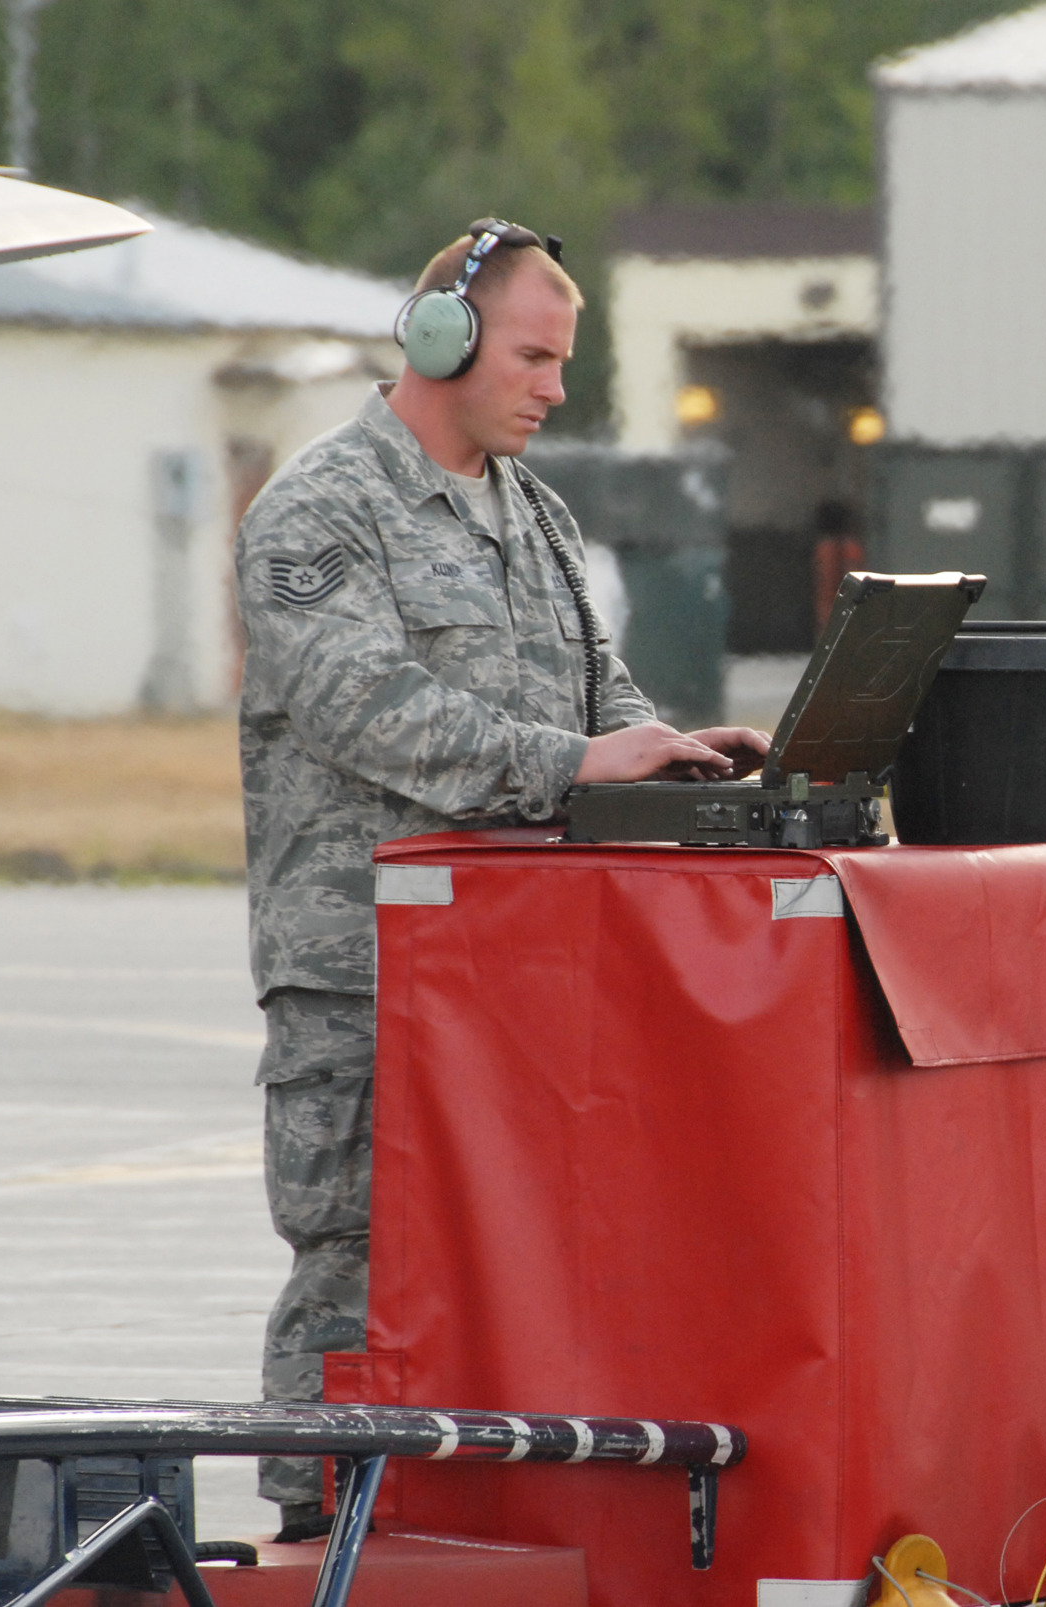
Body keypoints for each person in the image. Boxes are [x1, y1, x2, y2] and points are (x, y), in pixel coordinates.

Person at [234, 220, 768, 1537]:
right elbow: (367, 708)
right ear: (440, 340)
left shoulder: (535, 514)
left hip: (513, 969)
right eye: (532, 355)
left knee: (511, 1262)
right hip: (364, 967)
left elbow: (606, 700)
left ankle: (463, 1519)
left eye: (562, 361)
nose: (555, 387)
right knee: (355, 1264)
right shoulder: (321, 508)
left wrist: (682, 756)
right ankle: (320, 1529)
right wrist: (583, 762)